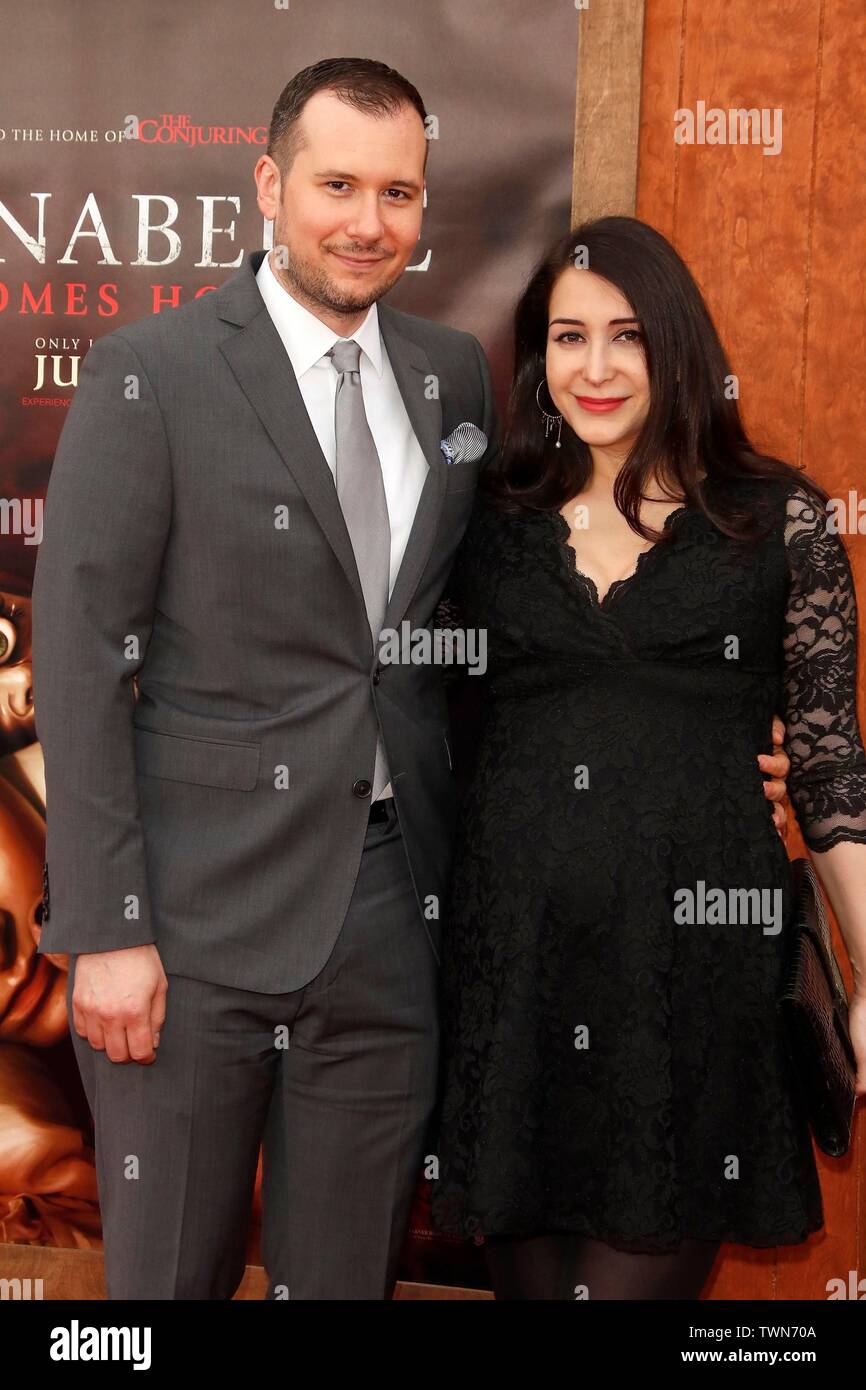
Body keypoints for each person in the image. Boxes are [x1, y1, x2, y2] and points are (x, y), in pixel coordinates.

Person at [31, 57, 496, 1300]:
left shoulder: (451, 373)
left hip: (391, 910)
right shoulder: (153, 371)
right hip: (189, 924)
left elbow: (470, 627)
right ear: (267, 186)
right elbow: (78, 658)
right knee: (165, 1284)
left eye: (397, 192)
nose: (367, 222)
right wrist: (107, 927)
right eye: (336, 185)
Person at [430, 217, 866, 1300]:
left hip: (692, 987)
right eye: (568, 337)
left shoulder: (777, 523)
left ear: (676, 345)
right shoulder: (486, 522)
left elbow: (826, 767)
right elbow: (423, 723)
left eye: (626, 336)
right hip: (513, 981)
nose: (596, 368)